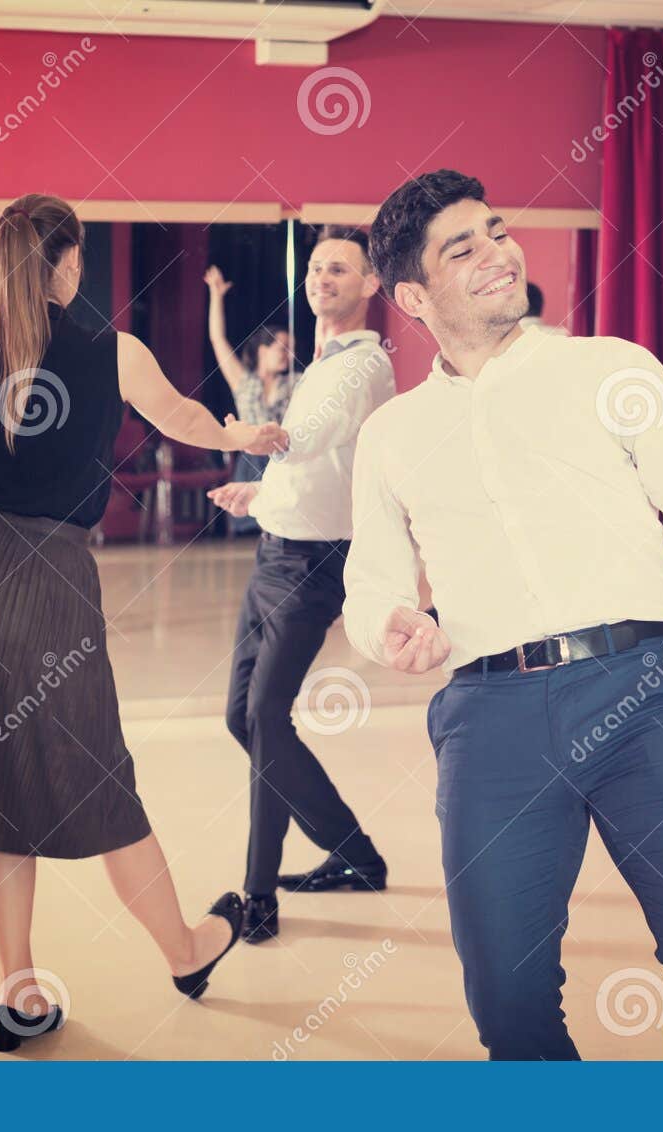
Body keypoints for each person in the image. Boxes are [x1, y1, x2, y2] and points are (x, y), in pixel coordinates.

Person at [345, 170, 663, 1060]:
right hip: (490, 719)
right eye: (464, 248)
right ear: (414, 295)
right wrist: (387, 621)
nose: (499, 252)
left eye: (495, 229)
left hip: (645, 693)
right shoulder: (392, 435)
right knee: (508, 1002)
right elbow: (370, 582)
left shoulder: (611, 367)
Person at [0, 15, 288, 1053]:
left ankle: (19, 988)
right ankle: (187, 944)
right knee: (95, 772)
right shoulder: (116, 350)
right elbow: (190, 423)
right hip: (41, 578)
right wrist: (251, 433)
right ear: (62, 266)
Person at [205, 225, 394, 944]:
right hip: (274, 557)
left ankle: (258, 894)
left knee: (265, 716)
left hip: (309, 568)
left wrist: (236, 437)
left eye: (339, 268)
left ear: (371, 284)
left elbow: (301, 439)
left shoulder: (357, 367)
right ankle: (355, 854)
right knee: (242, 717)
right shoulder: (323, 361)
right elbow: (319, 469)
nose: (322, 278)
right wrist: (260, 497)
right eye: (317, 267)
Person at [203, 265, 295, 535]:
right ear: (262, 350)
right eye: (282, 348)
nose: (288, 355)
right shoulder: (243, 382)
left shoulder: (296, 381)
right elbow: (217, 338)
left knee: (281, 523)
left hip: (282, 457)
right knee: (253, 527)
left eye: (291, 350)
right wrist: (216, 296)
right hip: (252, 460)